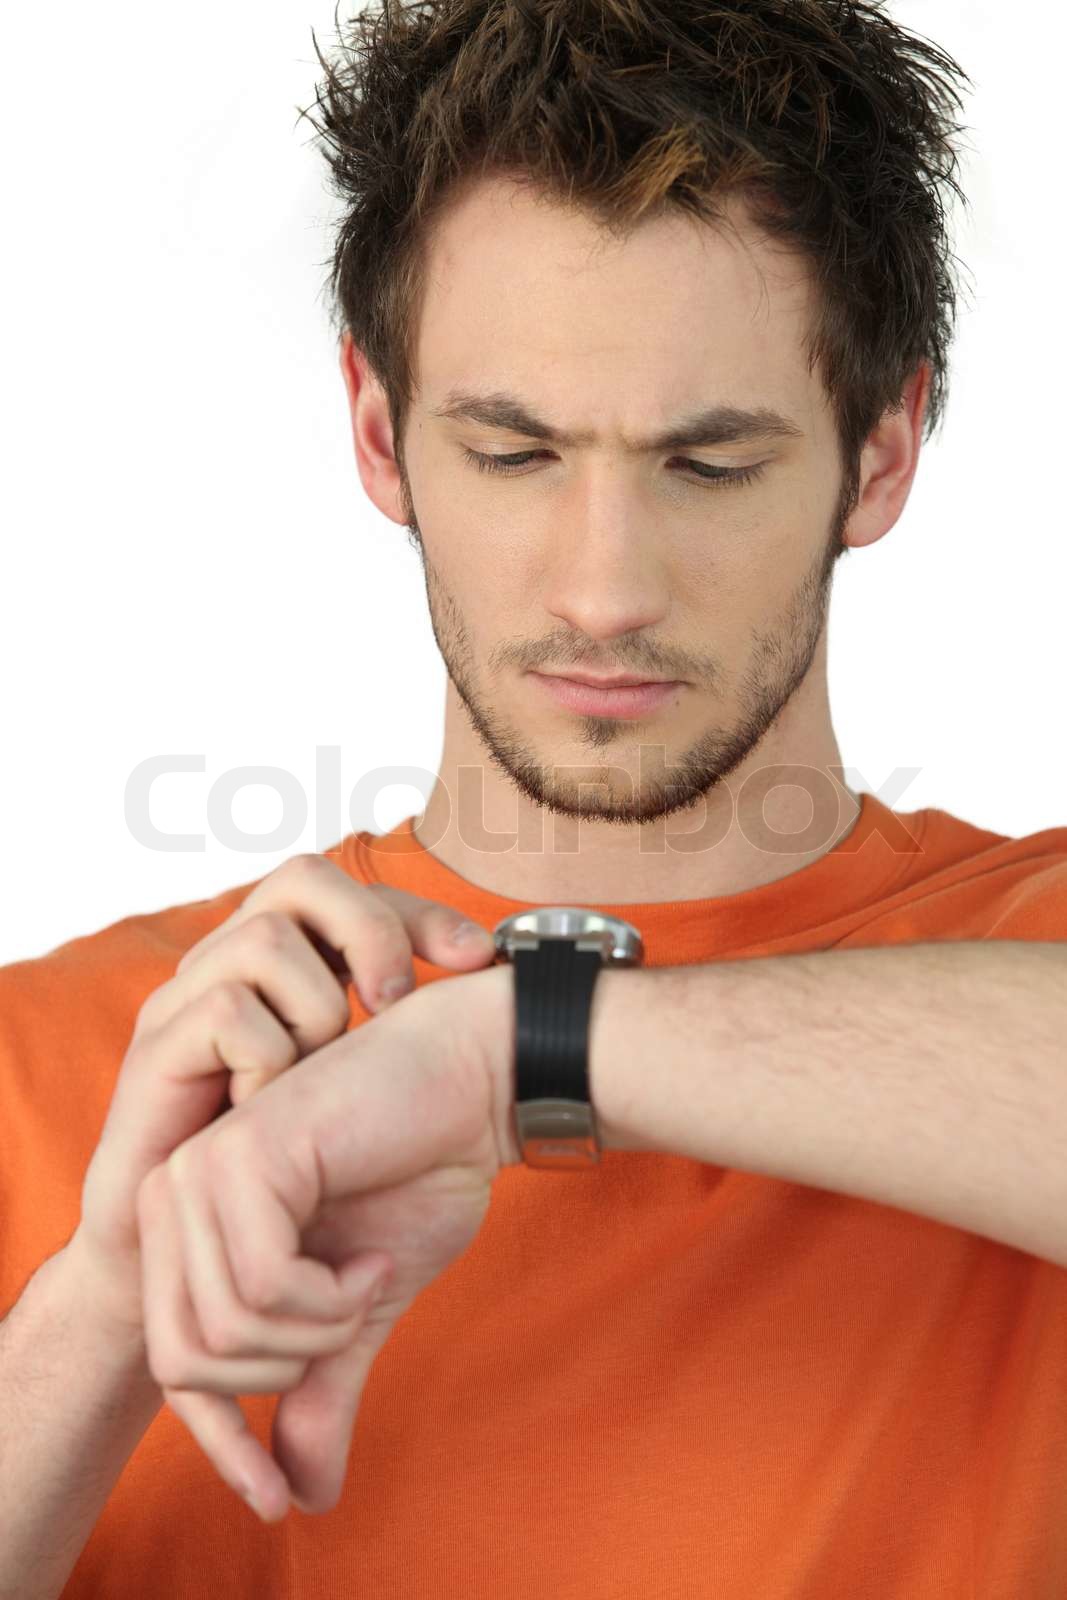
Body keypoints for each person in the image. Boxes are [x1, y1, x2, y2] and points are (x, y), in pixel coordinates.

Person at [2, 0, 1066, 1594]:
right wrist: (99, 1309)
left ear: (885, 451)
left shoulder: (1028, 970)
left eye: (708, 466)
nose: (602, 588)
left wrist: (517, 1052)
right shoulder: (82, 1061)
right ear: (379, 432)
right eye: (511, 454)